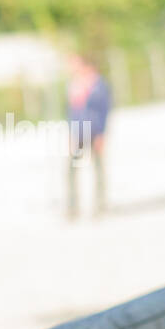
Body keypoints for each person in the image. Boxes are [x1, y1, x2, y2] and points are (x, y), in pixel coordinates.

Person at [65, 51, 113, 219]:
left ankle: (100, 204)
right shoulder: (73, 85)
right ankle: (73, 206)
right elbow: (72, 112)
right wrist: (71, 132)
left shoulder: (98, 84)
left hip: (94, 130)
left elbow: (104, 110)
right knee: (72, 169)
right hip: (79, 131)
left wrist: (101, 134)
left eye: (74, 64)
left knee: (98, 168)